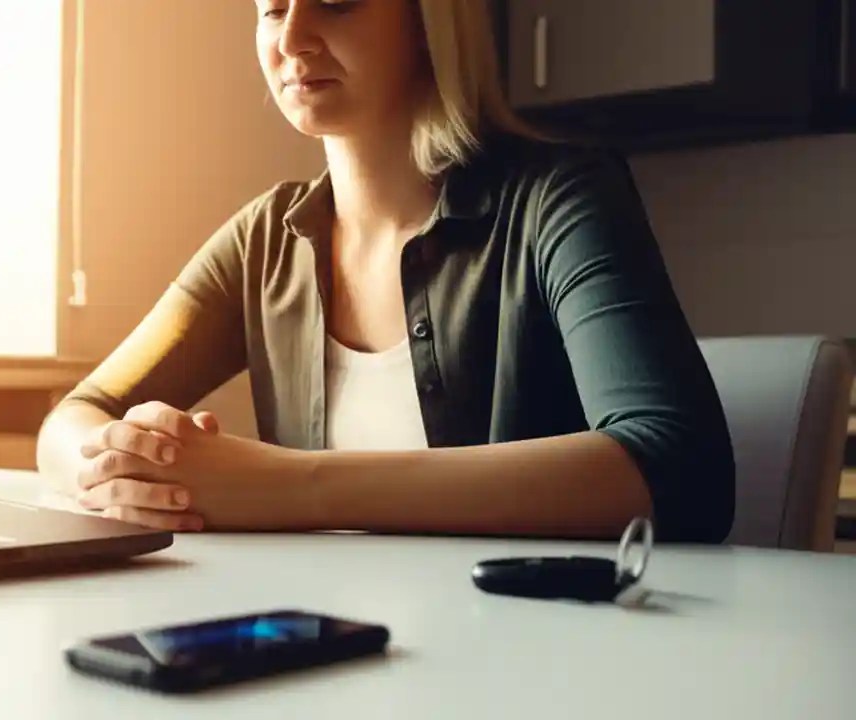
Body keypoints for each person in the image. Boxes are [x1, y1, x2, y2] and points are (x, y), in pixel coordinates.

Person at [36, 0, 735, 542]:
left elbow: (681, 468)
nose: (292, 38)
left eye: (337, 2)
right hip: (335, 647)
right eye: (272, 8)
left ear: (429, 22)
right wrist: (122, 471)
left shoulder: (560, 198)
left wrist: (285, 486)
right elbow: (73, 417)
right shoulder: (261, 243)